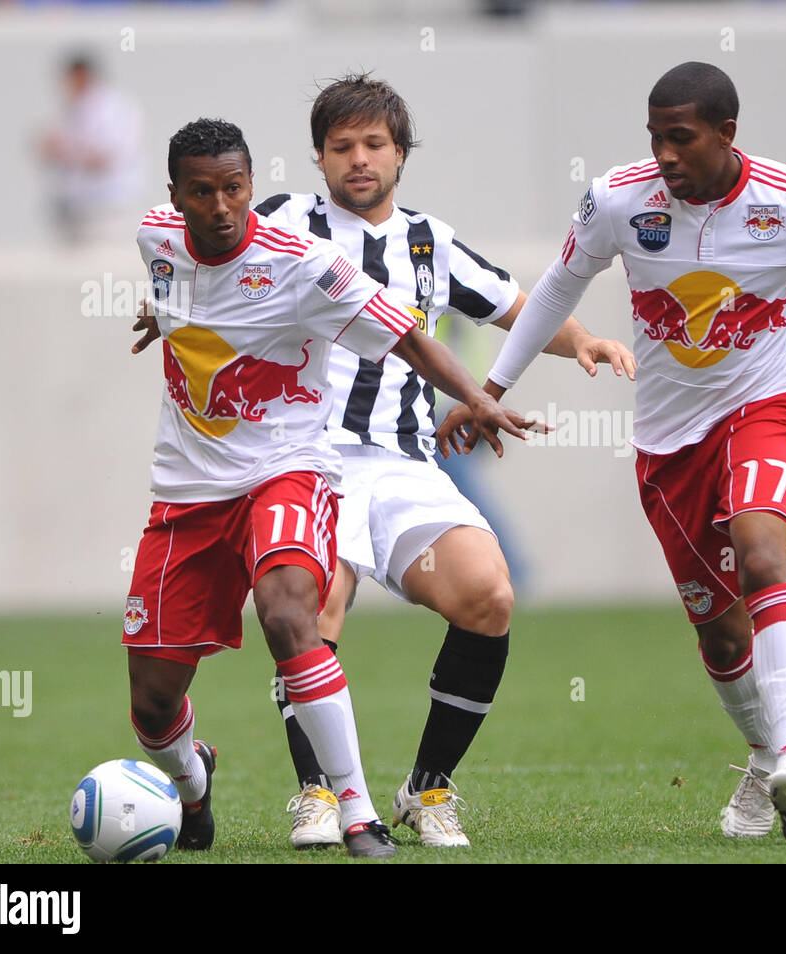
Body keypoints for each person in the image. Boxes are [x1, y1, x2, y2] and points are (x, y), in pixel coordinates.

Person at [451, 61, 786, 844]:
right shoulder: (617, 199)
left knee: (763, 554)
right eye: (655, 137)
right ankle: (761, 756)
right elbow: (557, 290)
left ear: (726, 133)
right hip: (668, 440)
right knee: (719, 632)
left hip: (763, 406)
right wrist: (492, 388)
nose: (665, 154)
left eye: (681, 138)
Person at [124, 117, 530, 859]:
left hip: (291, 466)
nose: (220, 207)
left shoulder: (304, 260)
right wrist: (166, 314)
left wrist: (476, 395)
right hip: (186, 491)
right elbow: (186, 290)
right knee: (151, 706)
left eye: (235, 189)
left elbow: (407, 335)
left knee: (291, 613)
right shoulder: (156, 238)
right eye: (202, 192)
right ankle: (192, 779)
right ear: (174, 196)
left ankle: (355, 809)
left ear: (252, 184)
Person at [252, 73, 634, 849]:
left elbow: (516, 305)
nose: (359, 160)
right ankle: (319, 795)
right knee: (317, 609)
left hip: (402, 463)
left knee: (489, 596)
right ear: (319, 159)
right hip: (306, 460)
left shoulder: (429, 241)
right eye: (341, 147)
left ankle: (427, 788)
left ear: (400, 154)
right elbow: (211, 250)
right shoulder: (284, 222)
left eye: (374, 145)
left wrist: (584, 339)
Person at [37, 54, 143, 244]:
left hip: (106, 211)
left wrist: (63, 151)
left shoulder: (111, 110)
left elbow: (103, 159)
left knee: (102, 267)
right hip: (75, 210)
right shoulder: (73, 109)